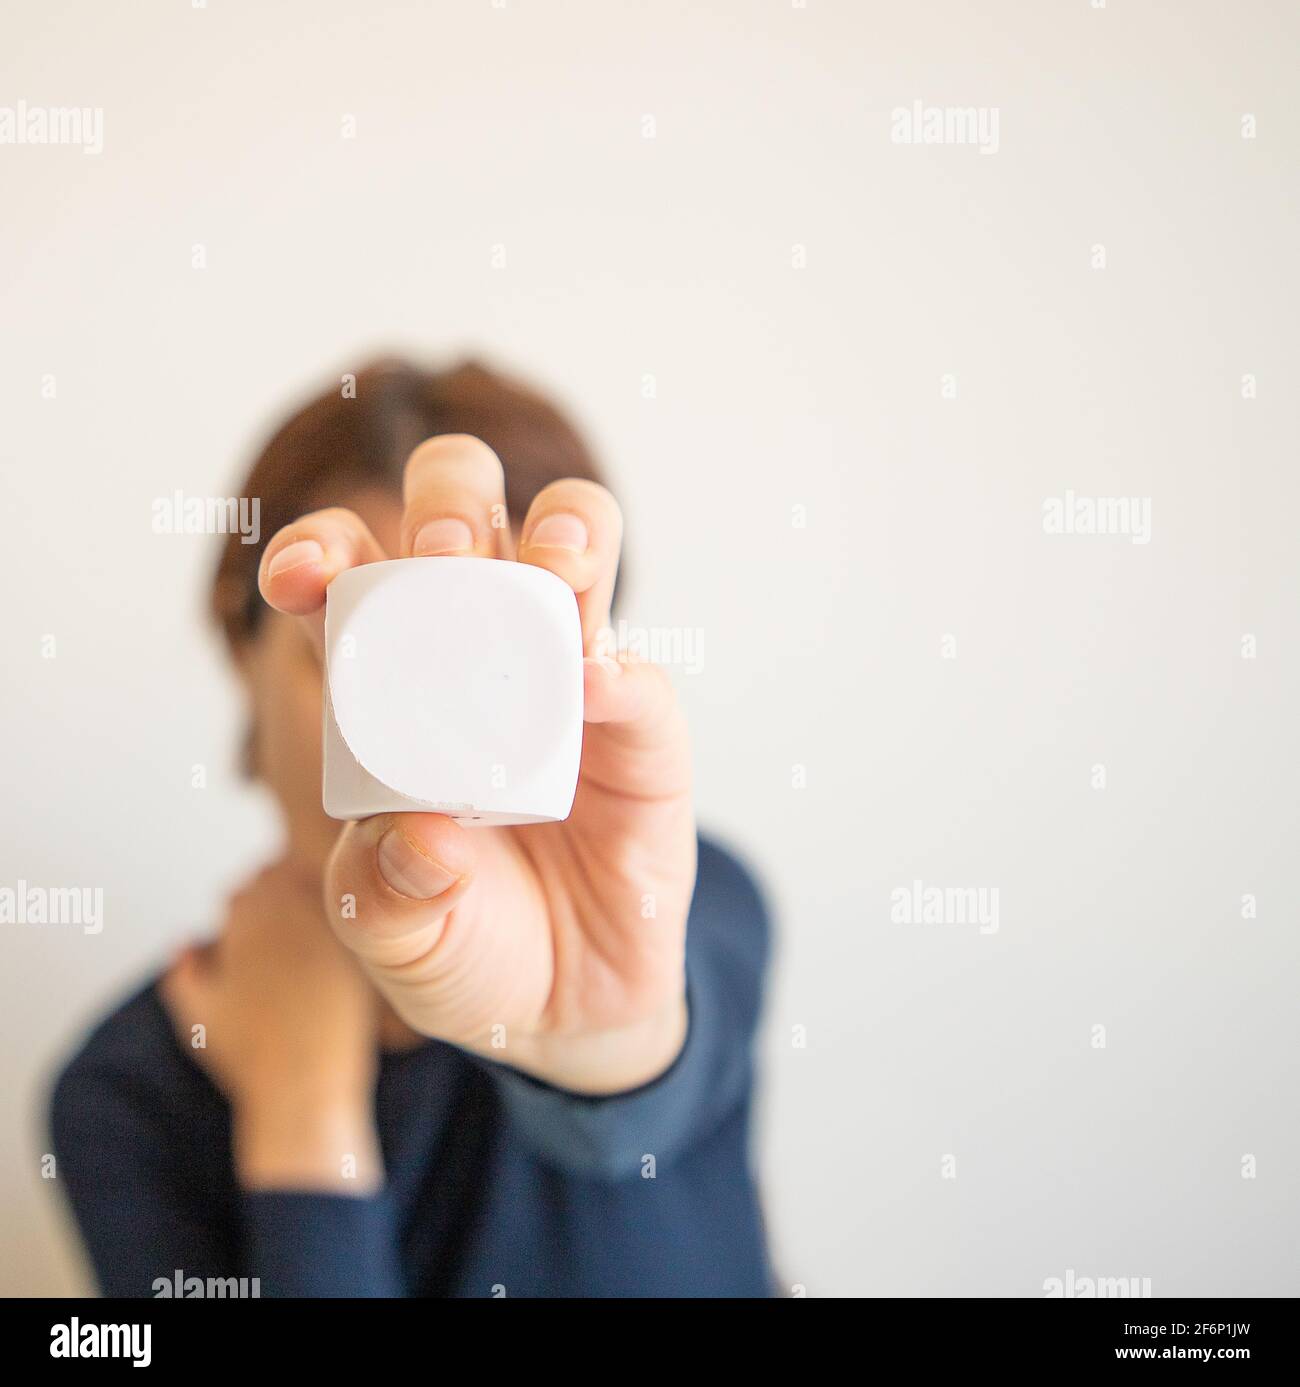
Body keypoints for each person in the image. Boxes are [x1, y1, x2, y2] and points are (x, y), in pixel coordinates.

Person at [49, 359, 774, 1297]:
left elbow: (649, 1087)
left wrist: (605, 1043)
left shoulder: (677, 905)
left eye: (494, 666)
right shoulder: (129, 1091)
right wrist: (304, 1117)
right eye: (374, 659)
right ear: (244, 646)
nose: (429, 745)